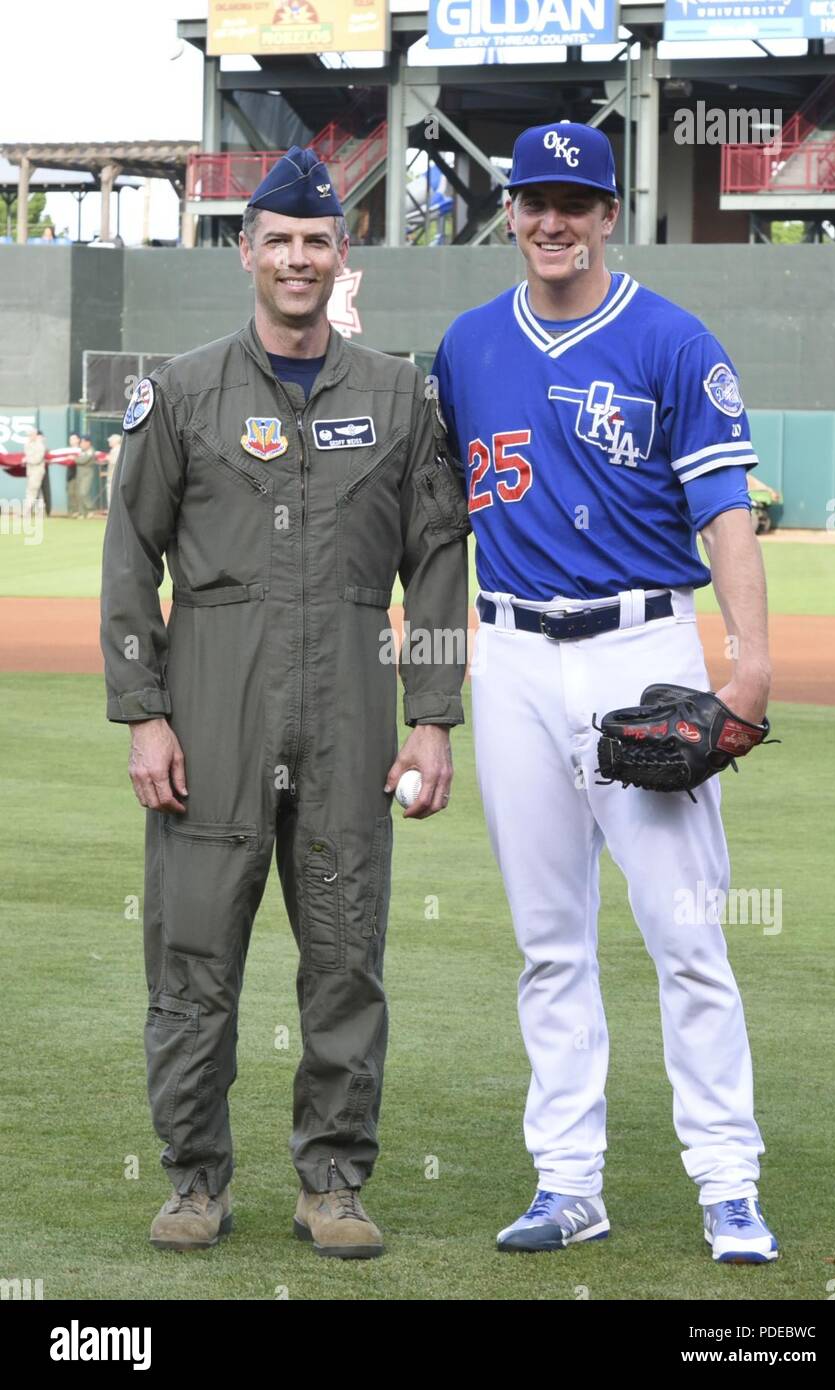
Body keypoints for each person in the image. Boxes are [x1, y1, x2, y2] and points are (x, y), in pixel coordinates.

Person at [100, 145, 469, 1259]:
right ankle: (194, 1180)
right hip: (211, 706)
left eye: (317, 241)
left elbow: (435, 563)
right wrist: (144, 712)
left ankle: (333, 1184)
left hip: (350, 709)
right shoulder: (181, 392)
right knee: (193, 958)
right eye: (279, 241)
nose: (297, 258)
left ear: (341, 256)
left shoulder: (400, 396)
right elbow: (130, 557)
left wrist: (432, 716)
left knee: (346, 961)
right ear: (246, 253)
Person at [432, 122, 778, 1264]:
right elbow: (430, 515)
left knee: (686, 936)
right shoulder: (466, 347)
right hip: (511, 658)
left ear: (607, 216)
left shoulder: (671, 340)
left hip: (641, 650)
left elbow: (724, 510)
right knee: (549, 943)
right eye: (533, 200)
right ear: (511, 212)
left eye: (573, 203)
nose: (551, 221)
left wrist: (749, 661)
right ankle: (567, 1182)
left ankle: (727, 1183)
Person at [23, 428, 46, 514]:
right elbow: (26, 454)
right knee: (37, 492)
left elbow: (37, 459)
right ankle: (41, 511)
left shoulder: (40, 446)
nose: (29, 437)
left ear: (35, 435)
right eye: (28, 435)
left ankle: (26, 511)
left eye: (31, 435)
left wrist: (27, 460)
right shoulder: (27, 444)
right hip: (30, 471)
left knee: (32, 491)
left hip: (37, 471)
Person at [74, 434, 96, 518]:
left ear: (88, 443)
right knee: (79, 493)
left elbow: (83, 460)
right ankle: (82, 512)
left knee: (84, 492)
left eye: (83, 442)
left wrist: (74, 458)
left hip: (87, 474)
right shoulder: (82, 451)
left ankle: (90, 509)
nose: (81, 444)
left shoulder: (91, 451)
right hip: (80, 474)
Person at [105, 433, 122, 508]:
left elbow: (114, 461)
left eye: (111, 441)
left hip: (114, 475)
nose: (109, 442)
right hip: (111, 474)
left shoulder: (118, 450)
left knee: (112, 492)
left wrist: (108, 458)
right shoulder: (114, 450)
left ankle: (113, 509)